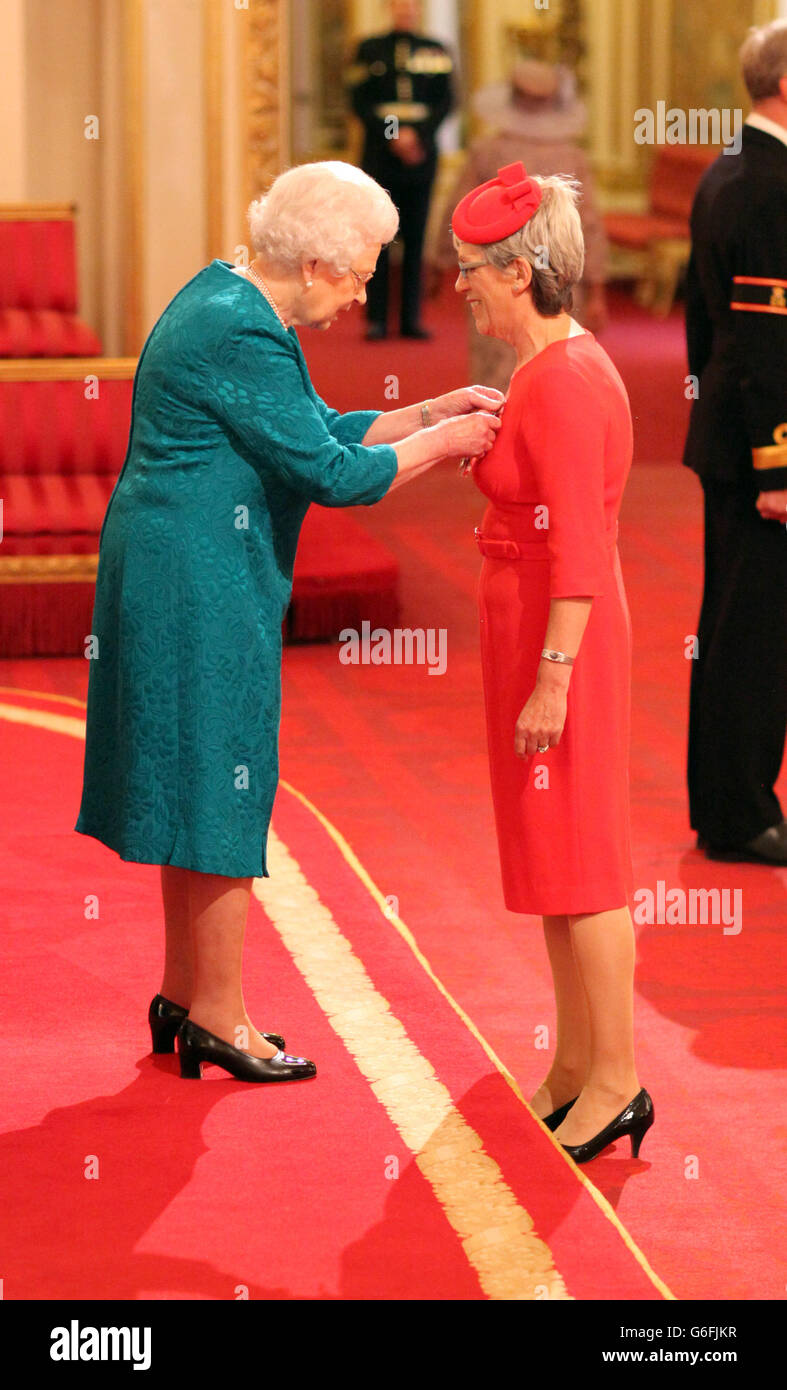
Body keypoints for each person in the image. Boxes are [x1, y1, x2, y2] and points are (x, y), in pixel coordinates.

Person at [74, 160, 503, 1085]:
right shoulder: (241, 330)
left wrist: (428, 409)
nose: (360, 293)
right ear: (313, 264)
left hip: (176, 562)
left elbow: (312, 427)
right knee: (223, 776)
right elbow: (335, 476)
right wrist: (453, 442)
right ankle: (221, 1017)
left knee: (193, 772)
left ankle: (185, 995)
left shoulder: (226, 296)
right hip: (196, 578)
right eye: (357, 272)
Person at [452, 161, 653, 1164]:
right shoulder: (539, 370)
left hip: (558, 632)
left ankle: (617, 1075)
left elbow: (577, 542)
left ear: (522, 271)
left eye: (472, 270)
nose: (460, 287)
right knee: (550, 857)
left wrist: (554, 674)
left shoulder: (567, 379)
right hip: (528, 623)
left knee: (585, 863)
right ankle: (576, 1063)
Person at [683, 19, 787, 865]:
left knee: (734, 627)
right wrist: (776, 463)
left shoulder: (732, 167)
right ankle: (740, 814)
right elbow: (760, 340)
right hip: (762, 451)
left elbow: (700, 326)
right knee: (752, 635)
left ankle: (726, 804)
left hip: (734, 434)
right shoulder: (767, 185)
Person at [435, 58, 608, 392]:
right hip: (558, 277)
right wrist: (597, 291)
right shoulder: (573, 157)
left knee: (497, 366)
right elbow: (590, 227)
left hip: (495, 275)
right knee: (556, 362)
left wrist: (441, 263)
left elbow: (459, 211)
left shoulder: (487, 150)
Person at [346, 0, 454, 340]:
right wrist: (394, 136)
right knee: (378, 237)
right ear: (389, 7)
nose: (405, 8)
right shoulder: (368, 50)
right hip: (381, 154)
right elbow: (358, 100)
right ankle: (376, 318)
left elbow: (446, 101)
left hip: (420, 155)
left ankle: (411, 318)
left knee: (415, 235)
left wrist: (415, 138)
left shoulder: (436, 51)